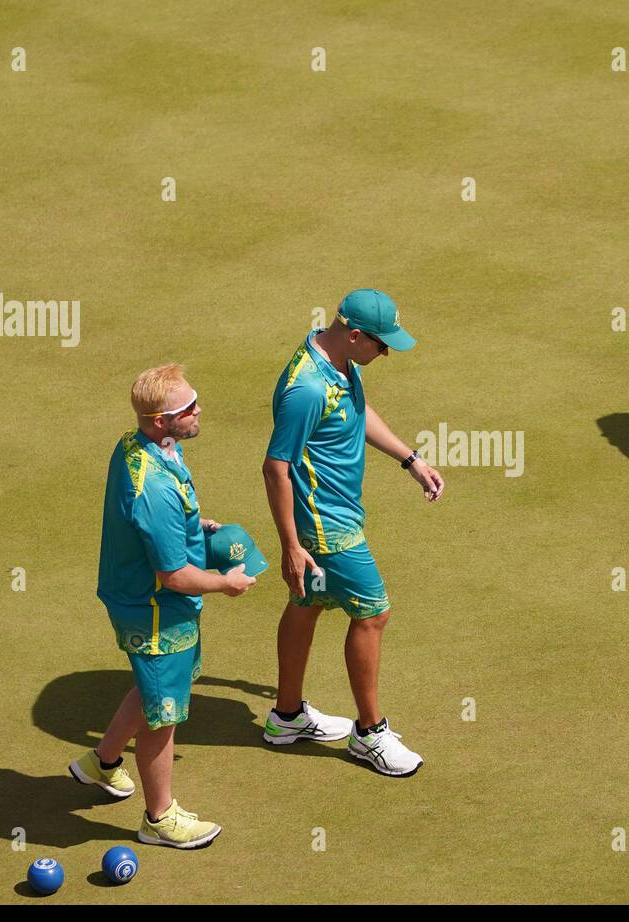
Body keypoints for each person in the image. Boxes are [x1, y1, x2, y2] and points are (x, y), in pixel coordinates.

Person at [261, 289, 444, 776]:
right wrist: (292, 547)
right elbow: (275, 467)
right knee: (374, 614)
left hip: (335, 516)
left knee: (309, 603)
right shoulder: (306, 389)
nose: (385, 354)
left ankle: (286, 717)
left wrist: (411, 459)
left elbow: (359, 414)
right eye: (381, 345)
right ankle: (370, 733)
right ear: (356, 335)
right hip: (326, 528)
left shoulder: (341, 361)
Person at [71, 364, 253, 848]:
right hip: (154, 609)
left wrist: (194, 527)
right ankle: (159, 819)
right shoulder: (152, 485)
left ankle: (103, 763)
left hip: (143, 597)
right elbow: (174, 576)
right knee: (164, 713)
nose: (199, 411)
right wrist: (224, 583)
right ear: (159, 421)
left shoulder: (142, 445)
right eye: (187, 409)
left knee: (152, 684)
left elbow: (160, 523)